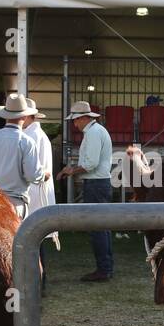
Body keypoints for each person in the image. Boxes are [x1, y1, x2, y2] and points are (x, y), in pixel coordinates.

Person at [57, 100, 114, 282]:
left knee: (97, 228)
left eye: (75, 120)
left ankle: (103, 269)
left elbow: (90, 164)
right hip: (99, 183)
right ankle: (105, 267)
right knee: (102, 227)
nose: (74, 124)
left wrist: (71, 170)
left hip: (96, 184)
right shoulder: (96, 132)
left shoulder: (93, 134)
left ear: (82, 118)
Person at [22, 98, 59, 294]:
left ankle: (39, 283)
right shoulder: (35, 134)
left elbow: (33, 169)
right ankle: (38, 283)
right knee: (35, 241)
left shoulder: (33, 136)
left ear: (28, 116)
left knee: (34, 241)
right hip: (36, 190)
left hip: (34, 191)